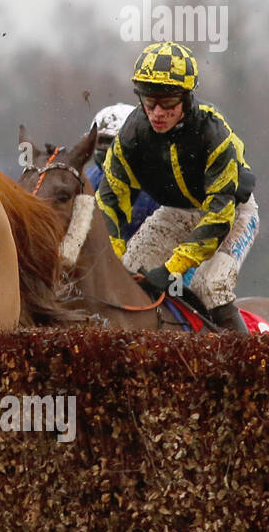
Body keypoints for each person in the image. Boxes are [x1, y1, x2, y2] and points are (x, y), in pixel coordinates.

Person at [95, 42, 258, 332]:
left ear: (186, 98)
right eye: (149, 101)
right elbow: (110, 199)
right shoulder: (132, 133)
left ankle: (247, 370)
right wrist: (114, 254)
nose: (157, 112)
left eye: (167, 104)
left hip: (231, 214)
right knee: (128, 273)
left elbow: (219, 216)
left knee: (210, 286)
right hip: (175, 212)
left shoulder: (214, 133)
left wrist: (172, 269)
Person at [84, 102, 158, 241]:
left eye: (116, 143)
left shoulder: (163, 187)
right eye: (102, 141)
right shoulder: (89, 180)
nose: (109, 150)